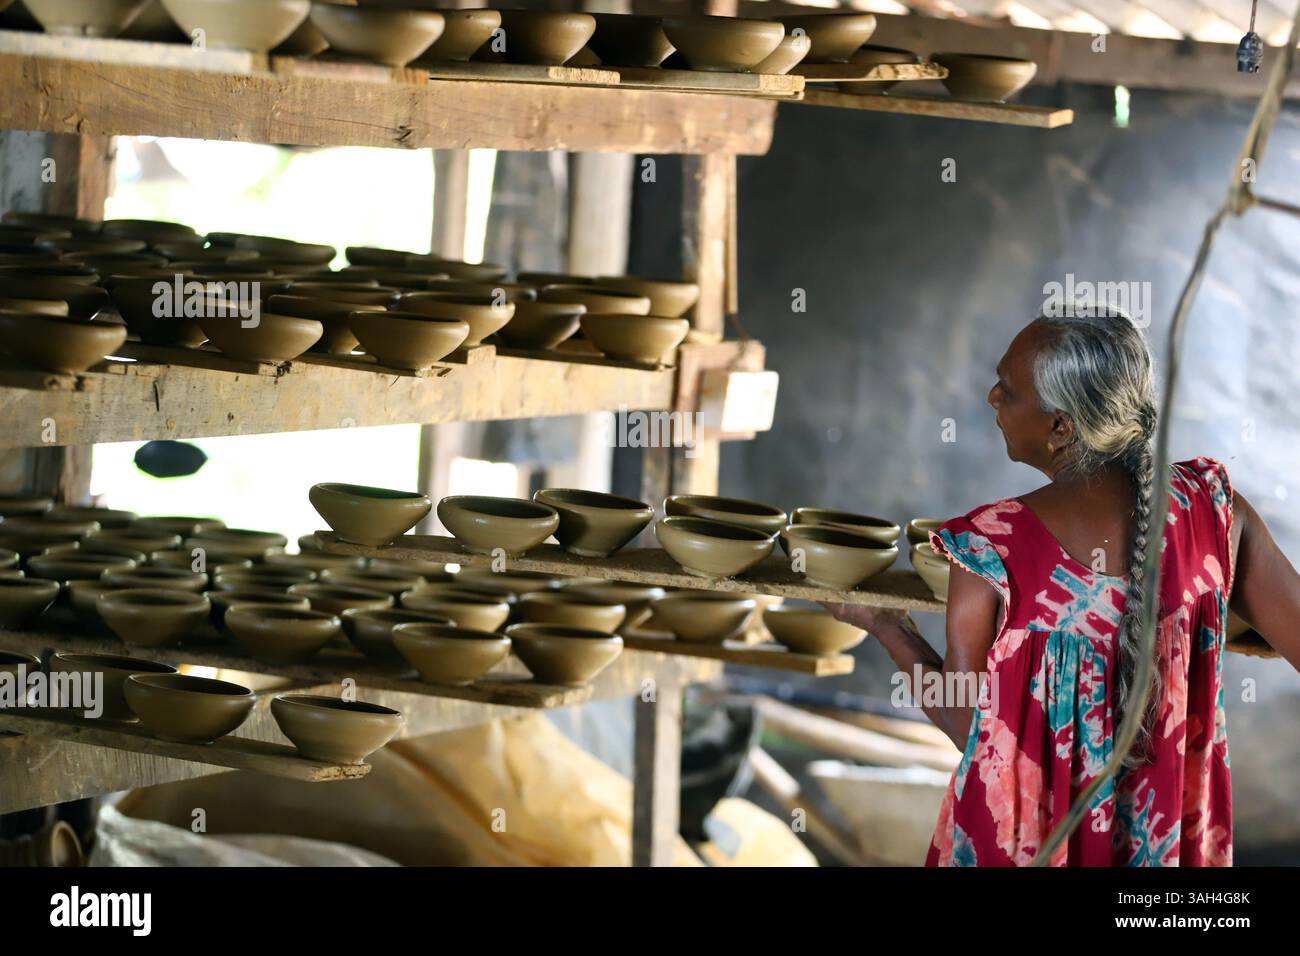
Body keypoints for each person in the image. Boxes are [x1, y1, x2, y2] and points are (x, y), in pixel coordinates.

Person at [826, 311, 1300, 867]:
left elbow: (969, 726)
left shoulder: (989, 545)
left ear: (1061, 428)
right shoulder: (1216, 513)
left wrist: (887, 627)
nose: (991, 396)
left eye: (1009, 388)